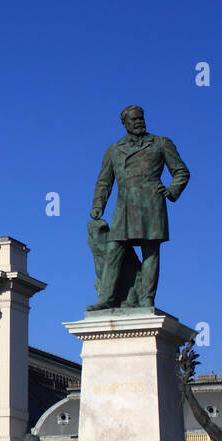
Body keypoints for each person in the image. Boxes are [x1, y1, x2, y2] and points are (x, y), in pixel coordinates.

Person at [89, 105, 190, 309]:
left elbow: (181, 171)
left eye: (141, 118)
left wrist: (171, 191)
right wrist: (98, 204)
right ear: (125, 124)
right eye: (133, 119)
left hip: (151, 204)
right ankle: (106, 298)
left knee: (150, 253)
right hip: (124, 206)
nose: (139, 122)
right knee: (113, 249)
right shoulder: (114, 150)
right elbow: (104, 182)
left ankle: (146, 298)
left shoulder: (160, 143)